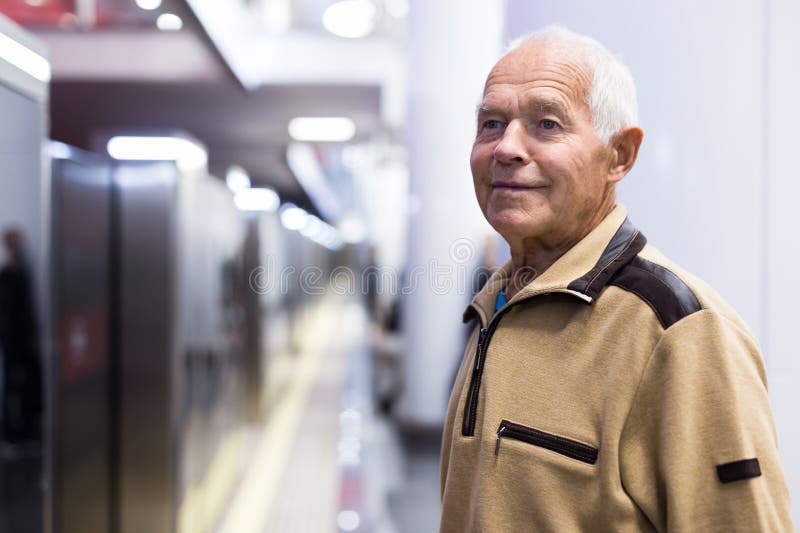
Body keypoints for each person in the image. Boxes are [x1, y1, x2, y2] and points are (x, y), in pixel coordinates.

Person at [439, 26, 793, 532]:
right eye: (491, 124)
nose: (506, 148)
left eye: (546, 124)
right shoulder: (494, 307)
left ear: (620, 155)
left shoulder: (679, 331)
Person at [0, 228, 42, 444]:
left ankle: (24, 426)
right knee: (11, 383)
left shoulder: (19, 273)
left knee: (26, 381)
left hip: (21, 336)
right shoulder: (7, 274)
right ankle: (11, 430)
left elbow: (25, 309)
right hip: (11, 337)